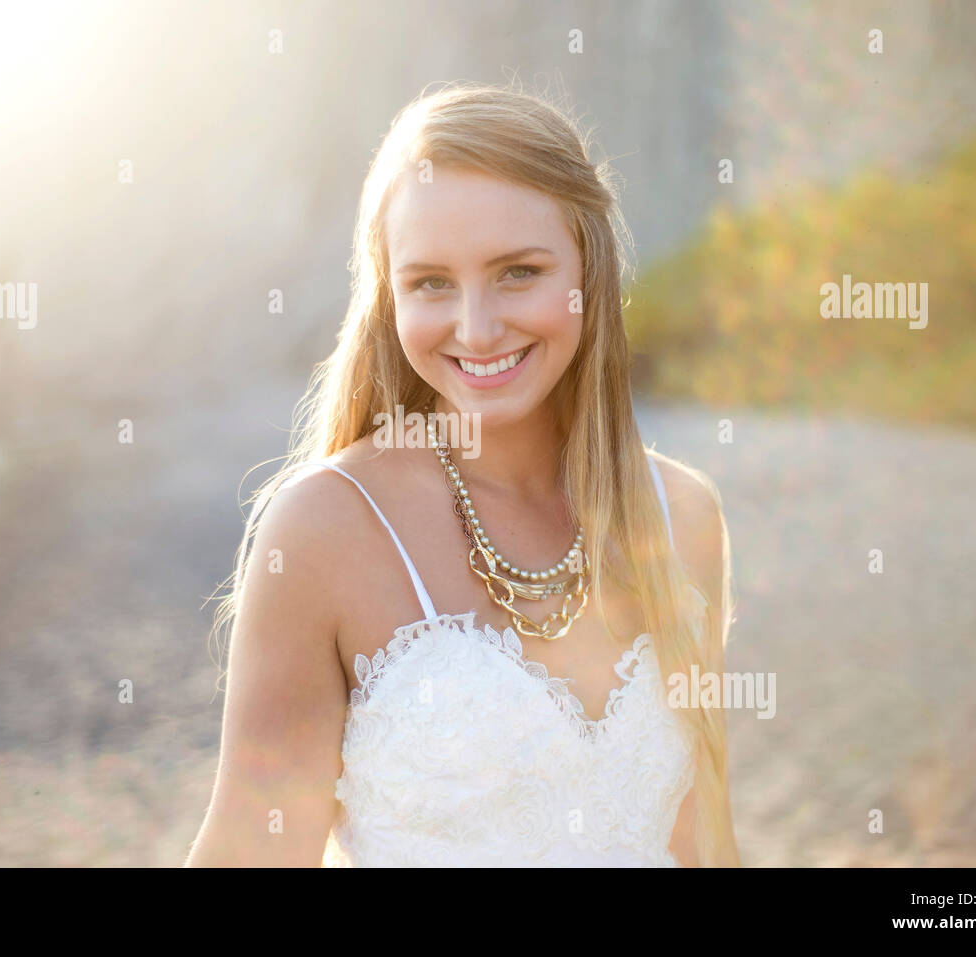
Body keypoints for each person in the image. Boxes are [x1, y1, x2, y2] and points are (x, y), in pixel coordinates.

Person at [185, 81, 739, 867]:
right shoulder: (323, 532)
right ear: (390, 297)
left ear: (591, 265)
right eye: (431, 283)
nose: (476, 329)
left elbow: (704, 839)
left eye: (518, 272)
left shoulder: (684, 515)